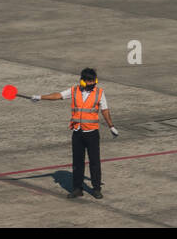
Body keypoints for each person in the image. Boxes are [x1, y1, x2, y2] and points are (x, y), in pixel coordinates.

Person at [32, 68, 118, 199]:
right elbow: (58, 95)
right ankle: (77, 189)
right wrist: (40, 97)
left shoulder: (99, 93)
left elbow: (105, 110)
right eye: (88, 81)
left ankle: (96, 189)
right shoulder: (74, 90)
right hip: (77, 132)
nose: (91, 84)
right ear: (82, 81)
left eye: (93, 81)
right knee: (77, 162)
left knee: (94, 161)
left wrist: (111, 126)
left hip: (92, 132)